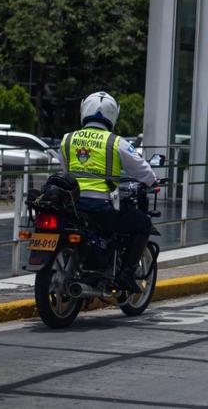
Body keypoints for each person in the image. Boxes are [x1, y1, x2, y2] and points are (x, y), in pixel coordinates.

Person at [61, 92, 156, 292]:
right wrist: (152, 181)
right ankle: (126, 275)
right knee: (143, 223)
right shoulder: (115, 142)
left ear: (84, 109)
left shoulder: (67, 139)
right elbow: (143, 170)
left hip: (72, 205)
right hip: (102, 207)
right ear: (113, 114)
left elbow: (65, 171)